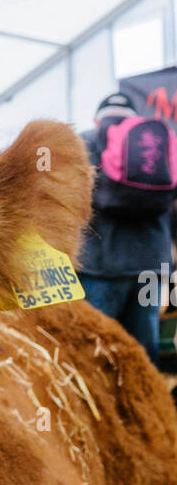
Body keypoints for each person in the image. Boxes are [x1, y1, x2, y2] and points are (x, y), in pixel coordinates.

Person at [76, 92, 176, 365]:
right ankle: (146, 404)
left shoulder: (84, 141)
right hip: (149, 269)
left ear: (98, 119)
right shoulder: (160, 143)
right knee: (142, 351)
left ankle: (96, 406)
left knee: (94, 348)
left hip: (100, 268)